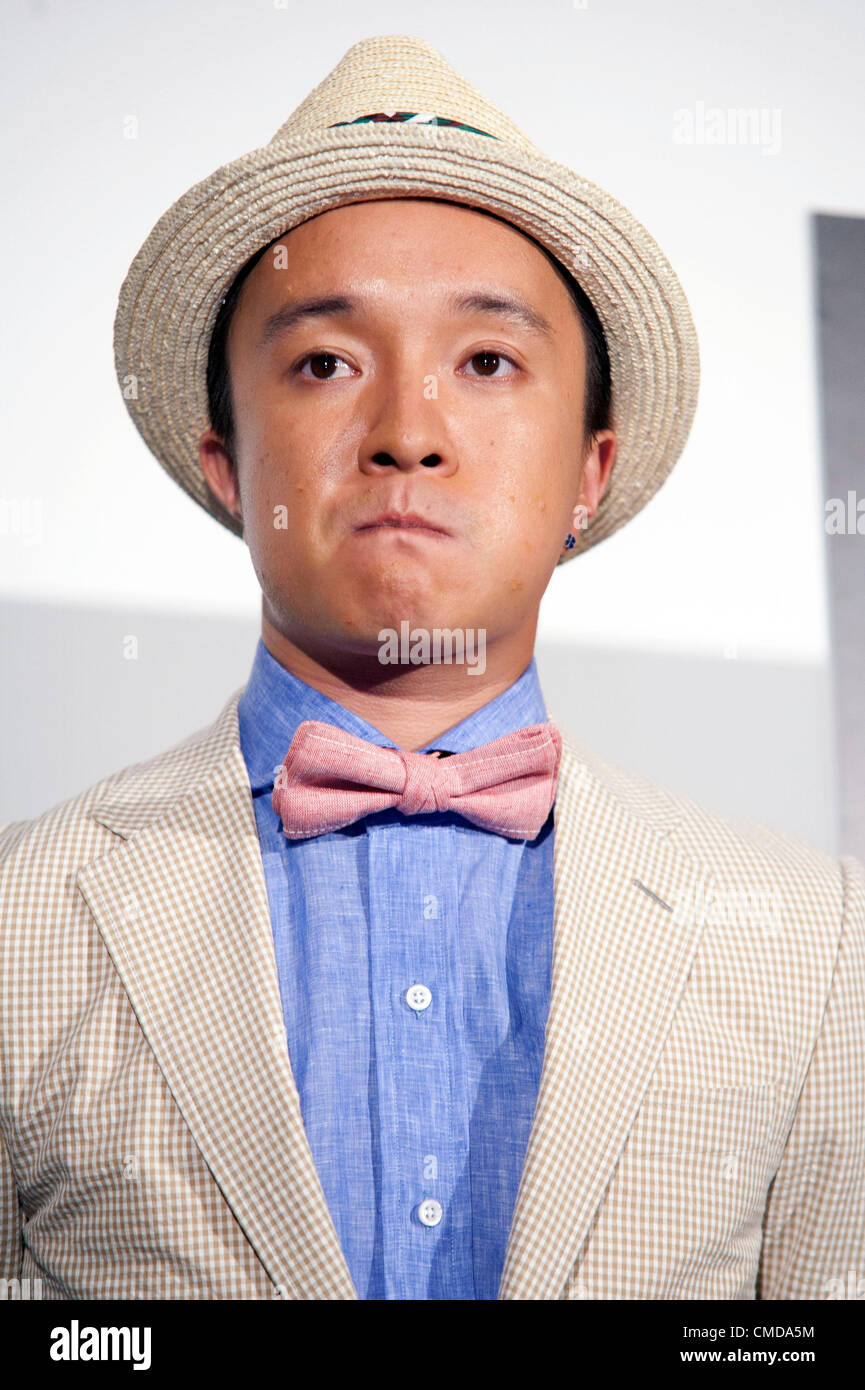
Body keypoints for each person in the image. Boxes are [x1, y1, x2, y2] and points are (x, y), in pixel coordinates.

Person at [2, 34, 863, 1303]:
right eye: (323, 364)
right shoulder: (22, 919)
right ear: (228, 466)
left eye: (487, 363)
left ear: (588, 472)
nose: (408, 433)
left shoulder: (818, 939)